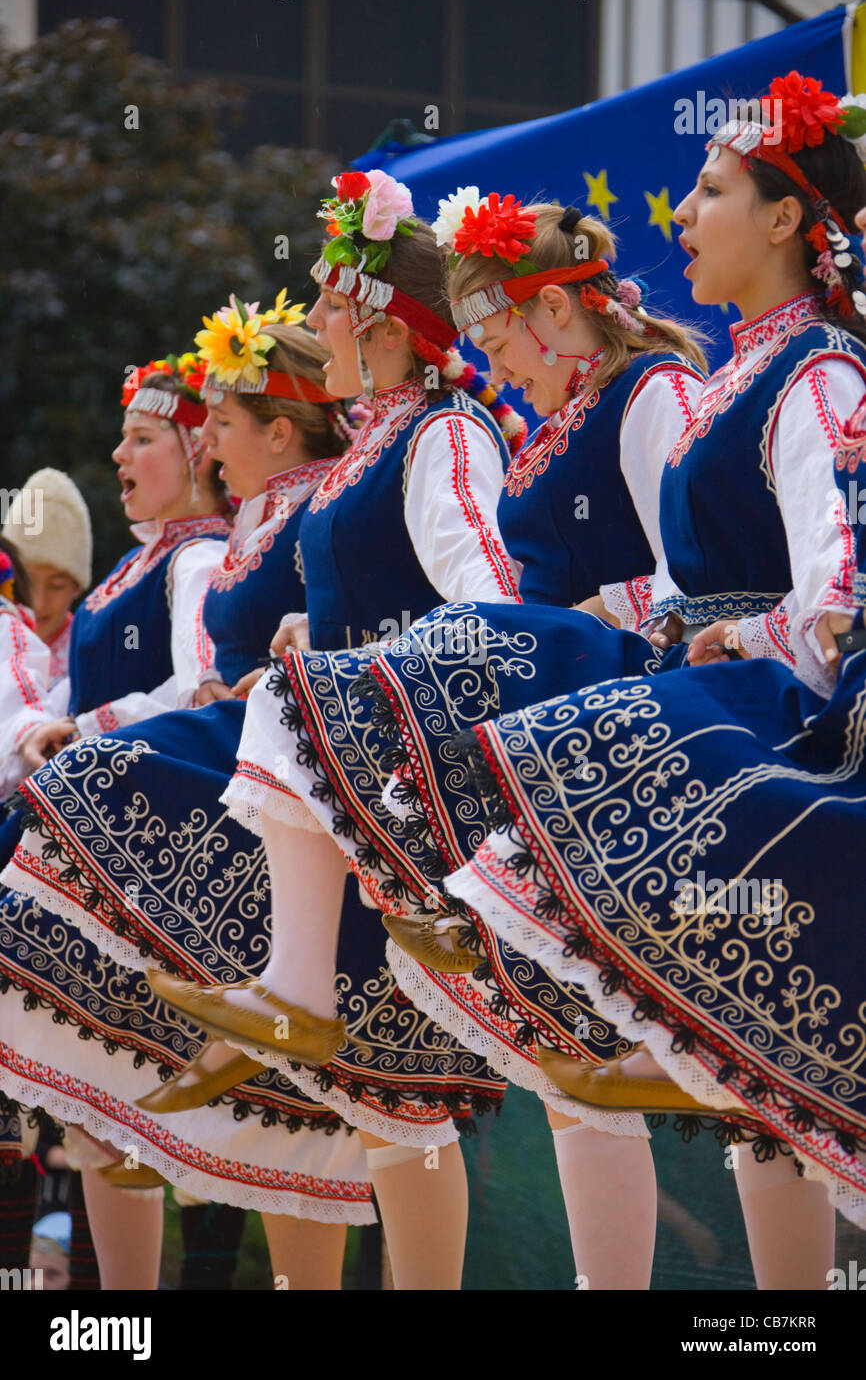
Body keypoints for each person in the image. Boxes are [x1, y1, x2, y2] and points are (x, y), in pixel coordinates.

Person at [442, 76, 866, 1280]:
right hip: (720, 688)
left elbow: (833, 580)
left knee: (575, 753)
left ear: (785, 220)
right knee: (751, 1057)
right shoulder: (735, 376)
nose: (681, 212)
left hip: (781, 711)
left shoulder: (809, 372)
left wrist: (739, 636)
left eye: (710, 189)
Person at [140, 169, 527, 1289]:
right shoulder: (382, 437)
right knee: (385, 1089)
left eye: (325, 303)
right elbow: (385, 595)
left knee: (418, 1087)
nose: (313, 326)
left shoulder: (445, 434)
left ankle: (287, 986)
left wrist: (365, 666)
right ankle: (286, 987)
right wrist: (327, 631)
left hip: (416, 771)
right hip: (359, 767)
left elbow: (484, 597)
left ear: (379, 319)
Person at [0, 337, 375, 1288]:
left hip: (190, 833)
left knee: (260, 1105)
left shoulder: (204, 556)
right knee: (112, 1097)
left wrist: (81, 726)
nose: (122, 458)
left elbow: (195, 687)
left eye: (145, 438)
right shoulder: (154, 562)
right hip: (149, 826)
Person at [2, 466, 92, 684]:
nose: (38, 603)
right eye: (27, 582)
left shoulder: (93, 657)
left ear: (77, 586)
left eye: (57, 585)